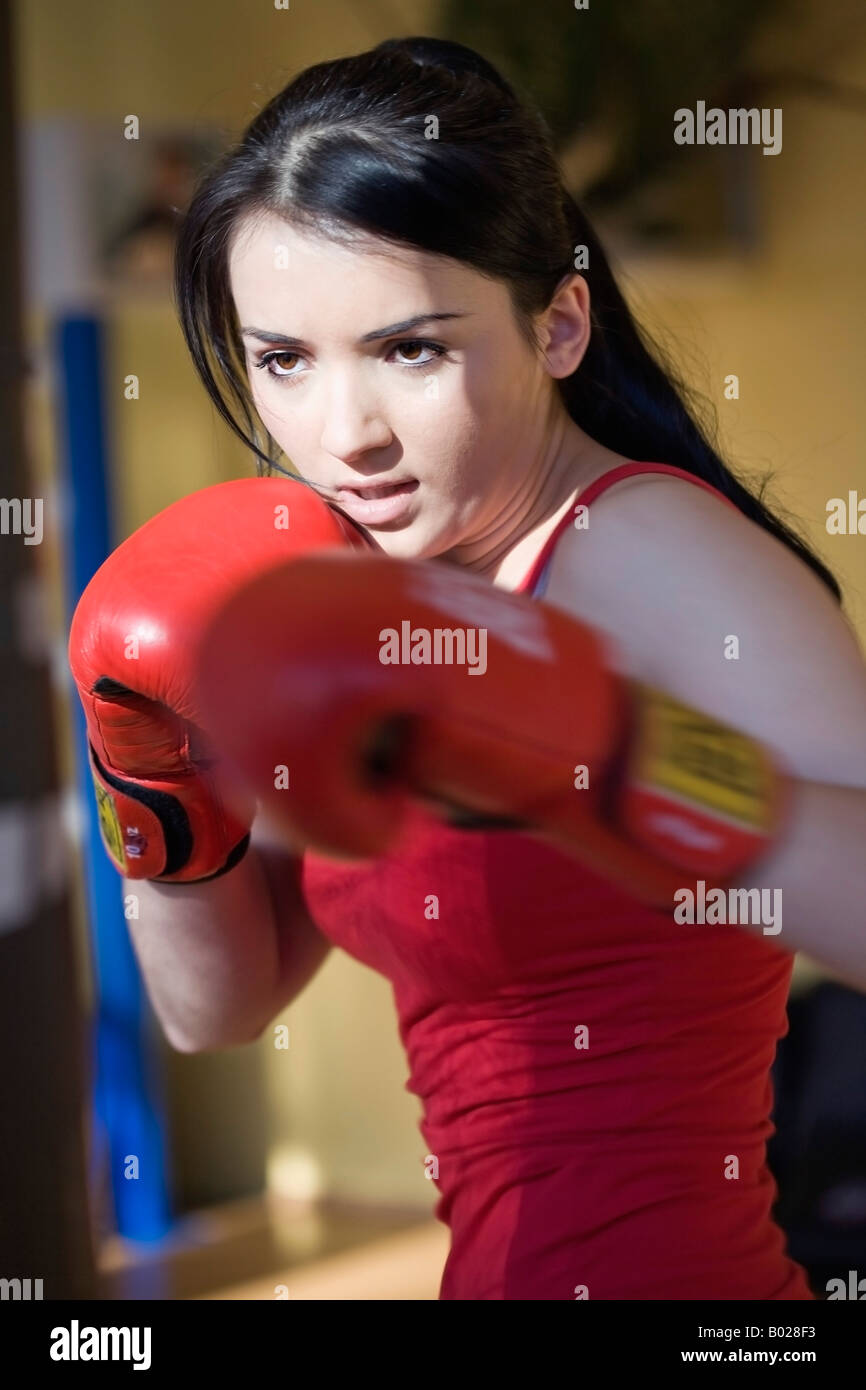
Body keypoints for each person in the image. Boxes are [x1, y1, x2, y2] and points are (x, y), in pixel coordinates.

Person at [126, 36, 866, 1298]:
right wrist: (148, 780)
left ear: (558, 322)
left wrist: (620, 752)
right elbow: (220, 1008)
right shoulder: (368, 599)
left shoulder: (644, 552)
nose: (343, 434)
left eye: (408, 348)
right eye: (284, 360)